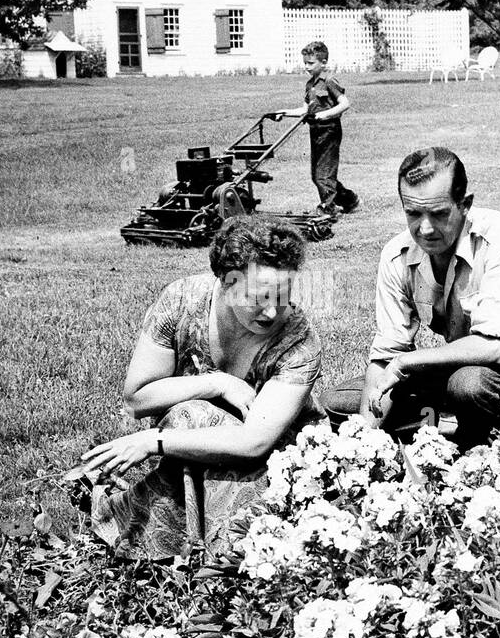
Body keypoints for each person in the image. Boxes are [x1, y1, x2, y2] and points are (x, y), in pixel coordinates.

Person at [66, 216, 322, 560]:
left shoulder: (298, 339)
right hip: (197, 444)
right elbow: (137, 399)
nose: (272, 310)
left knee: (192, 417)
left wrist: (153, 442)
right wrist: (215, 382)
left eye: (283, 294)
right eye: (258, 296)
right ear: (225, 282)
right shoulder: (182, 300)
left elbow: (254, 443)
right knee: (193, 415)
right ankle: (191, 550)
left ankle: (206, 556)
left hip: (277, 456)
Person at [322, 146, 500, 449]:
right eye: (413, 213)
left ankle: (486, 441)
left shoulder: (499, 238)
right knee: (339, 402)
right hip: (460, 364)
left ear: (464, 204)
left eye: (439, 214)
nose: (425, 229)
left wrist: (405, 363)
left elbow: (496, 349)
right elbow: (387, 354)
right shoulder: (396, 257)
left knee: (468, 386)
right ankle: (447, 430)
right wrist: (362, 443)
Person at [275, 39, 358, 218]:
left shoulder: (329, 80)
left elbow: (345, 103)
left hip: (329, 130)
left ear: (324, 62)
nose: (307, 66)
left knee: (323, 174)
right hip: (316, 131)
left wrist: (326, 114)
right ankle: (349, 199)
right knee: (317, 175)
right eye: (305, 63)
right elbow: (305, 109)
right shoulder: (310, 84)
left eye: (311, 63)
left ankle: (329, 208)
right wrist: (285, 112)